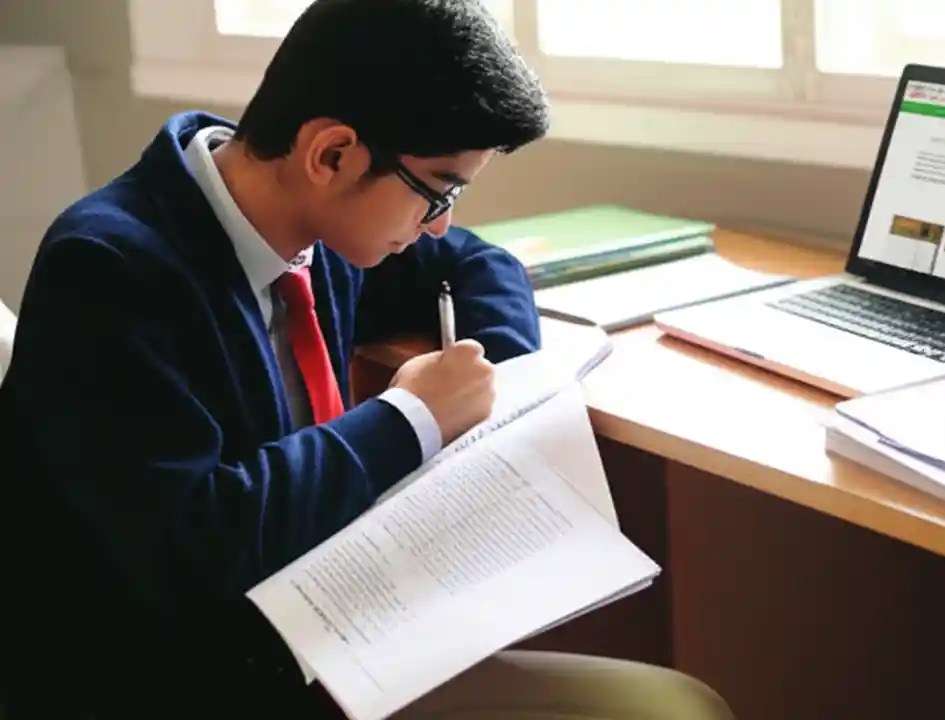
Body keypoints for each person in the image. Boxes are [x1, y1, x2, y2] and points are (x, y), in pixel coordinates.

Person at [0, 1, 733, 718]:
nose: (441, 222)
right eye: (437, 191)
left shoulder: (317, 224)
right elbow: (194, 544)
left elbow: (479, 264)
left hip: (332, 634)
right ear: (332, 153)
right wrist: (409, 416)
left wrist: (501, 387)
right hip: (179, 679)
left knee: (676, 701)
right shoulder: (109, 271)